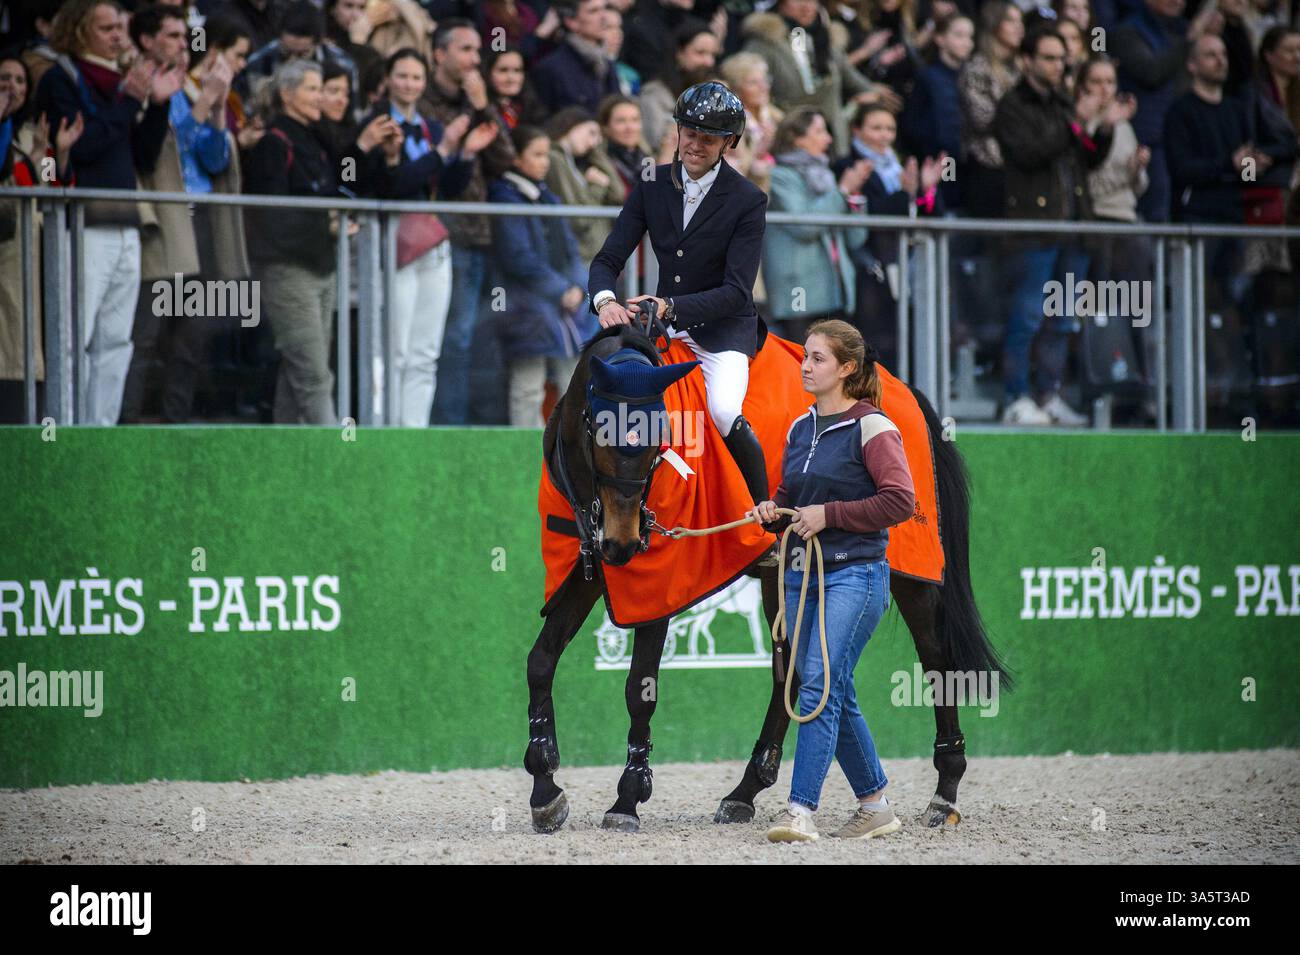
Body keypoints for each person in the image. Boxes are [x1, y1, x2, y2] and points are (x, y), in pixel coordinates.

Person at [750, 319, 915, 844]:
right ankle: (875, 805)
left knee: (818, 687)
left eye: (818, 358)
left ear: (847, 369)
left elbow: (900, 501)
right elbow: (795, 496)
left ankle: (800, 811)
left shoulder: (874, 428)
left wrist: (830, 514)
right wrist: (773, 510)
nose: (805, 365)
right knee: (833, 687)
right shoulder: (801, 428)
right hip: (802, 575)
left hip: (857, 574)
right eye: (805, 356)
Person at [587, 81, 773, 518]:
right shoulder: (652, 181)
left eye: (707, 137)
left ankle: (765, 515)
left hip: (720, 329)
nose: (694, 144)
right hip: (659, 324)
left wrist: (672, 307)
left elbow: (736, 292)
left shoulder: (748, 199)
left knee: (725, 410)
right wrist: (605, 302)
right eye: (688, 132)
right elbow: (609, 256)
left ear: (729, 142)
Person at [34, 0, 177, 425]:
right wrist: (131, 102)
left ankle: (100, 433)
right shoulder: (62, 79)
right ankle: (64, 428)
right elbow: (82, 149)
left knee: (117, 341)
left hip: (124, 225)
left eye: (120, 27)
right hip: (82, 225)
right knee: (74, 336)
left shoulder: (122, 83)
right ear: (79, 31)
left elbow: (143, 159)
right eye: (106, 28)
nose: (118, 36)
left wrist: (159, 105)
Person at [994, 25, 1116, 426]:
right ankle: (1015, 397)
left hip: (1074, 230)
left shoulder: (1064, 104)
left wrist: (1105, 126)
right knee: (1028, 317)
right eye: (1047, 57)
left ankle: (1049, 395)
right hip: (1035, 231)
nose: (1057, 64)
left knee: (1062, 320)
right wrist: (1075, 122)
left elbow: (1087, 161)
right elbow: (1029, 154)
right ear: (1026, 60)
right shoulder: (1012, 106)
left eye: (1061, 58)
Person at [363, 47, 489, 427]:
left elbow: (445, 187)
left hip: (432, 243)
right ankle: (384, 427)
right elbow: (395, 185)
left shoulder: (431, 127)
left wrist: (464, 156)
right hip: (393, 243)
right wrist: (444, 149)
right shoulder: (376, 123)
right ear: (388, 80)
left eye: (416, 77)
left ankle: (413, 431)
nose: (409, 84)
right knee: (393, 347)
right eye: (401, 76)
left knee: (426, 350)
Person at [488, 124, 593, 427]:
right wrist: (560, 289)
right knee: (528, 385)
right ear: (516, 158)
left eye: (547, 155)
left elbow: (571, 248)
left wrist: (575, 285)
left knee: (573, 381)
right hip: (525, 305)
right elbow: (517, 257)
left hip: (564, 305)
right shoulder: (505, 198)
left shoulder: (548, 197)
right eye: (536, 155)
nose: (544, 162)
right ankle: (525, 452)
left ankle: (569, 452)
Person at [765, 106, 869, 346]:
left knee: (832, 375)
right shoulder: (781, 176)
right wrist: (841, 191)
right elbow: (805, 227)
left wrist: (853, 196)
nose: (829, 139)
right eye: (820, 131)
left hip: (834, 291)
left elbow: (856, 238)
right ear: (796, 138)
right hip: (799, 294)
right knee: (800, 371)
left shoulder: (826, 176)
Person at [544, 105, 624, 265]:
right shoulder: (555, 159)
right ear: (571, 124)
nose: (594, 142)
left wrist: (597, 152)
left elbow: (617, 192)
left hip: (593, 254)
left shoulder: (575, 164)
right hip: (580, 256)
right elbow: (577, 219)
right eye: (591, 133)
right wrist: (597, 188)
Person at [532, 0, 622, 115]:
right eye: (593, 11)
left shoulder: (607, 63)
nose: (604, 17)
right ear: (571, 21)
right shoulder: (550, 69)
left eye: (604, 9)